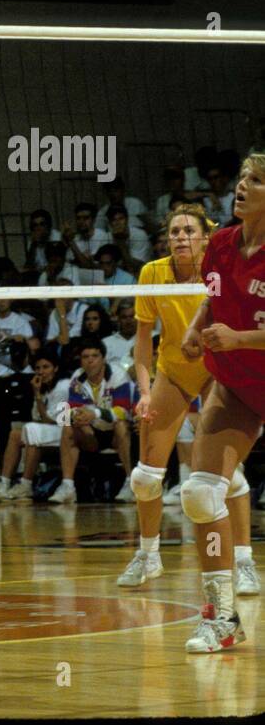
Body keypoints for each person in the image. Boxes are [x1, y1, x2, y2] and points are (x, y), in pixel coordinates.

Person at [116, 204, 252, 585]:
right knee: (145, 477)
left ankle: (243, 562)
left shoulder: (219, 270)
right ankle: (148, 556)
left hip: (218, 370)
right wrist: (143, 392)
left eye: (188, 231)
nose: (180, 238)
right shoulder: (153, 273)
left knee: (225, 476)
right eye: (174, 232)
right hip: (173, 371)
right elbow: (143, 341)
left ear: (205, 237)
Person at [176, 155, 265, 650]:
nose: (242, 187)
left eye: (256, 181)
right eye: (242, 179)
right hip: (237, 386)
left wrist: (241, 338)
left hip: (250, 362)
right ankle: (223, 617)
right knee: (200, 493)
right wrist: (197, 328)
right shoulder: (223, 244)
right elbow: (212, 297)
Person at [47, 339, 134, 503]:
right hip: (92, 434)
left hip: (115, 432)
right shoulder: (77, 377)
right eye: (85, 356)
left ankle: (131, 483)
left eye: (95, 356)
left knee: (122, 426)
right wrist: (78, 418)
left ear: (103, 359)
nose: (90, 360)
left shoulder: (118, 375)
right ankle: (67, 487)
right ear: (81, 360)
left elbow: (123, 411)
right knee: (68, 427)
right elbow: (72, 408)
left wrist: (94, 413)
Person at [0, 351, 71, 501]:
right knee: (16, 434)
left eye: (46, 367)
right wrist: (38, 393)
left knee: (31, 431)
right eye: (37, 368)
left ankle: (26, 484)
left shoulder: (63, 386)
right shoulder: (44, 387)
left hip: (68, 433)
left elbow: (54, 421)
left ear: (56, 368)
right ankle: (4, 483)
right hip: (51, 432)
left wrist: (36, 394)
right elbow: (37, 418)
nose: (41, 372)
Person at [101, 301, 138, 373]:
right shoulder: (106, 343)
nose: (128, 321)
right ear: (118, 320)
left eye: (132, 316)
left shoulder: (149, 339)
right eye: (124, 317)